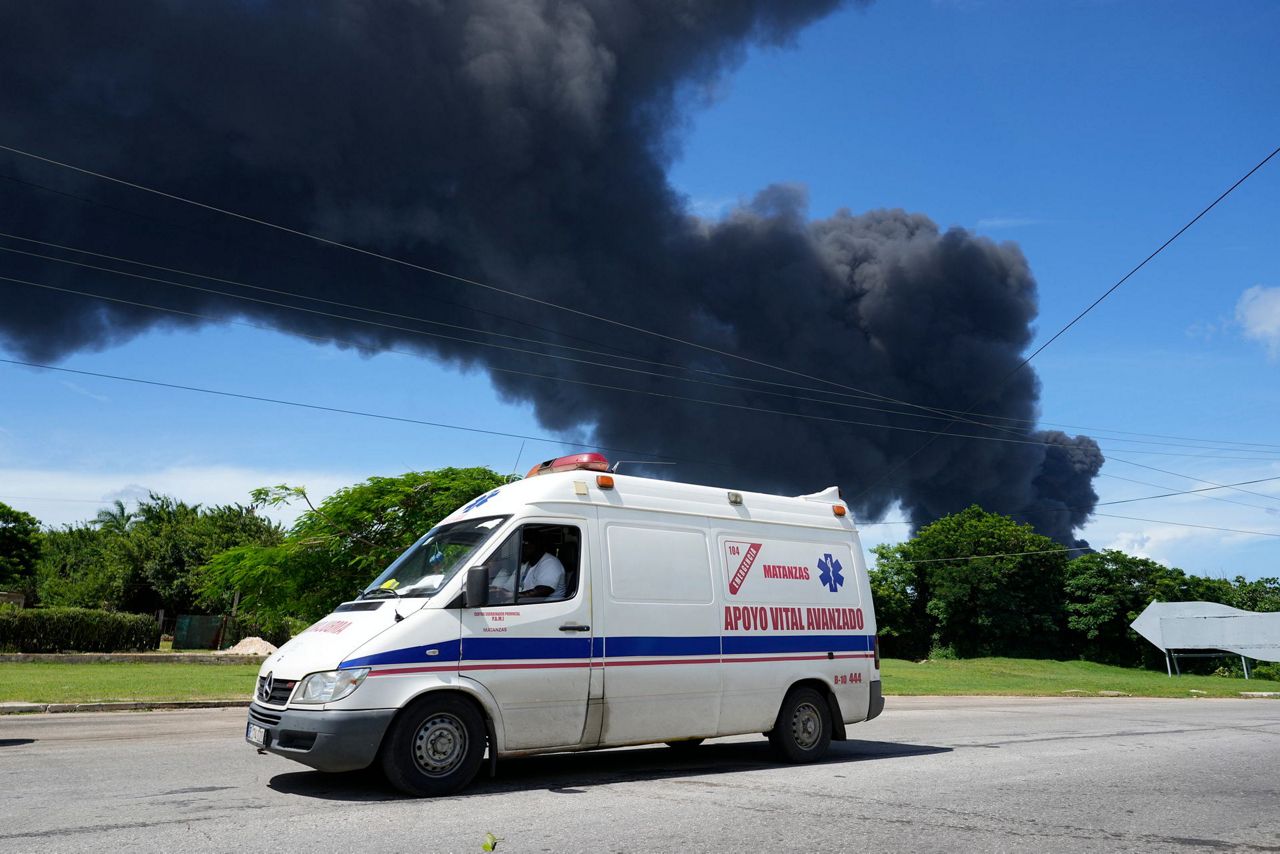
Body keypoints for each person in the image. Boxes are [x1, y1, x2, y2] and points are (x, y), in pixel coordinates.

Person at [491, 534, 566, 600]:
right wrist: (497, 590)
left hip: (547, 608)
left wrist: (510, 595)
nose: (521, 549)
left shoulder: (550, 563)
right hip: (526, 605)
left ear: (535, 546)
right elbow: (509, 587)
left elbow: (542, 592)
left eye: (525, 545)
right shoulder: (525, 564)